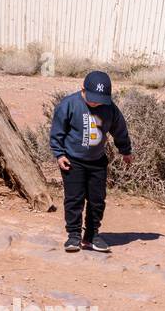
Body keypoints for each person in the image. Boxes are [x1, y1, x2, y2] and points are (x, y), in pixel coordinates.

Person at [49, 70, 133, 253]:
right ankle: (73, 236)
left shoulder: (109, 108)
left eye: (100, 99)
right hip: (72, 161)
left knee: (97, 200)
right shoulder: (69, 104)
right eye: (92, 98)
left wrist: (125, 150)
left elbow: (119, 129)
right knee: (74, 199)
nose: (95, 102)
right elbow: (57, 131)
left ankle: (92, 236)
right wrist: (59, 154)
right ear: (83, 89)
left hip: (97, 162)